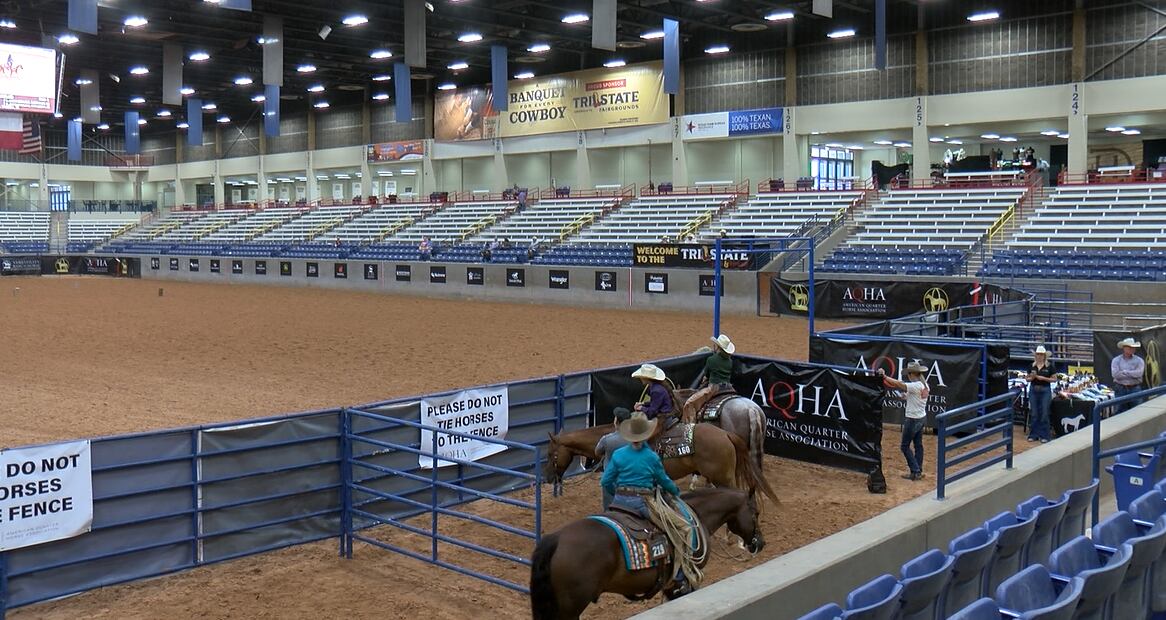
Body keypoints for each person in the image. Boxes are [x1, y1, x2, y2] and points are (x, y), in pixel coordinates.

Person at [600, 411, 698, 595]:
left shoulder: (619, 455)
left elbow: (605, 482)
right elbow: (664, 481)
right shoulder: (651, 457)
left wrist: (617, 494)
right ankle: (680, 574)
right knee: (685, 528)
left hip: (619, 500)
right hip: (643, 502)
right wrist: (676, 492)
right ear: (646, 433)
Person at [879, 361, 930, 481]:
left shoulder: (915, 385)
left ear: (912, 374)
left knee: (905, 446)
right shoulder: (925, 385)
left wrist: (885, 377)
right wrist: (906, 396)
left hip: (913, 419)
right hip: (921, 417)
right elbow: (915, 395)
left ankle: (915, 470)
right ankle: (918, 470)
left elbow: (899, 384)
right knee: (918, 445)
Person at [683, 334, 736, 423]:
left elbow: (707, 374)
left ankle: (689, 429)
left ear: (718, 347)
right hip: (729, 388)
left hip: (714, 388)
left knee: (690, 403)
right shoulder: (730, 362)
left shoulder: (711, 359)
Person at [595, 407, 632, 510]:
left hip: (611, 479)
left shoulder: (607, 439)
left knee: (609, 507)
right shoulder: (635, 439)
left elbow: (597, 452)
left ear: (617, 422)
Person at [1026, 345, 1056, 443]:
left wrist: (1043, 378)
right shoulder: (1031, 366)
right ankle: (1034, 434)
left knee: (1044, 412)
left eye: (1041, 355)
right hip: (1034, 389)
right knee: (1034, 413)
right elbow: (1027, 378)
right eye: (1038, 354)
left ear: (1044, 356)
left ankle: (1045, 435)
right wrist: (1032, 378)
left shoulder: (1050, 366)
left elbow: (1054, 379)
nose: (1039, 356)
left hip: (1045, 389)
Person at [1111, 337, 1146, 413]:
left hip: (1135, 388)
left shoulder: (1139, 360)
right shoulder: (1116, 360)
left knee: (1137, 411)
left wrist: (1124, 372)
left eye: (1133, 347)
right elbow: (1115, 374)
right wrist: (1132, 373)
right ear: (1124, 348)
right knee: (1119, 412)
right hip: (1120, 388)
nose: (1132, 349)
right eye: (1130, 347)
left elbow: (1139, 373)